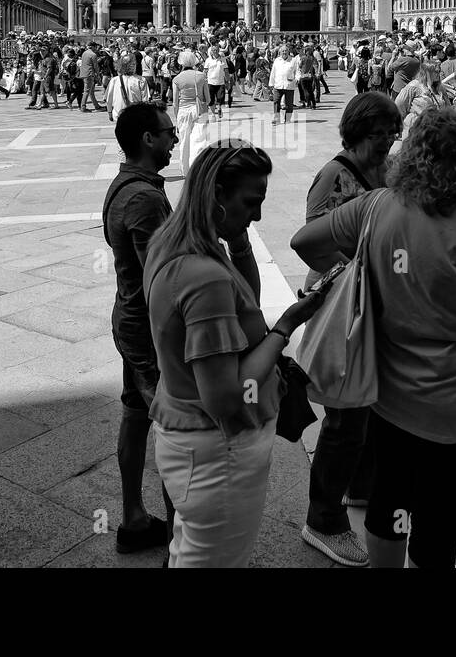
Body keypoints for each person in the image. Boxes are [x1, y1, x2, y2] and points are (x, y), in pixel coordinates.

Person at [292, 107, 456, 568]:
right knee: (440, 518)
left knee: (389, 502)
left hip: (388, 398)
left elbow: (305, 242)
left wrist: (352, 268)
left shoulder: (375, 207)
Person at [144, 141, 329, 567]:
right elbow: (227, 397)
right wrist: (287, 326)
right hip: (218, 448)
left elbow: (246, 307)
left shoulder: (172, 243)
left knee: (189, 552)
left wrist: (241, 242)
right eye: (251, 202)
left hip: (185, 435)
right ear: (215, 196)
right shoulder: (204, 276)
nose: (258, 214)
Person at [297, 92, 402, 567]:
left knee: (368, 404)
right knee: (343, 418)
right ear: (356, 132)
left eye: (390, 133)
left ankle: (360, 487)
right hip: (343, 305)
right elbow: (309, 241)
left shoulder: (388, 170)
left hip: (374, 307)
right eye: (378, 134)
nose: (386, 142)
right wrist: (353, 270)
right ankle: (323, 519)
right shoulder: (333, 174)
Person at [103, 104, 179, 555]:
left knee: (134, 416)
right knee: (174, 424)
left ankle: (134, 519)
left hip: (129, 318)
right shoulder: (145, 197)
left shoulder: (125, 184)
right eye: (168, 134)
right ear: (148, 139)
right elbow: (162, 273)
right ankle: (179, 533)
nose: (173, 140)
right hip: (148, 327)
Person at [171, 51, 209, 176]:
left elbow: (175, 103)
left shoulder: (177, 79)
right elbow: (207, 98)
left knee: (184, 141)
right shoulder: (201, 75)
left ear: (181, 62)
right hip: (199, 110)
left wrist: (176, 119)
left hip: (183, 110)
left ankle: (186, 171)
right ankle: (197, 169)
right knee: (199, 141)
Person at [270, 45, 299, 126]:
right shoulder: (277, 60)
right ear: (280, 52)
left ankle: (287, 119)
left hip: (289, 85)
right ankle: (276, 119)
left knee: (289, 104)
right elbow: (273, 72)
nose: (284, 52)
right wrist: (271, 84)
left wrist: (296, 80)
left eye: (286, 51)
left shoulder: (293, 60)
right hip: (278, 84)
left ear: (288, 51)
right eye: (282, 51)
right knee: (276, 102)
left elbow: (297, 72)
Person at [203, 46, 228, 119]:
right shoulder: (208, 60)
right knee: (211, 99)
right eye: (213, 50)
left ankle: (219, 108)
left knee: (220, 98)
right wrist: (203, 79)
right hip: (210, 82)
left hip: (220, 82)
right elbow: (205, 71)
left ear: (218, 51)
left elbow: (226, 70)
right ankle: (213, 114)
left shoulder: (223, 59)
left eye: (216, 50)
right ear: (211, 51)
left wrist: (228, 81)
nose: (215, 51)